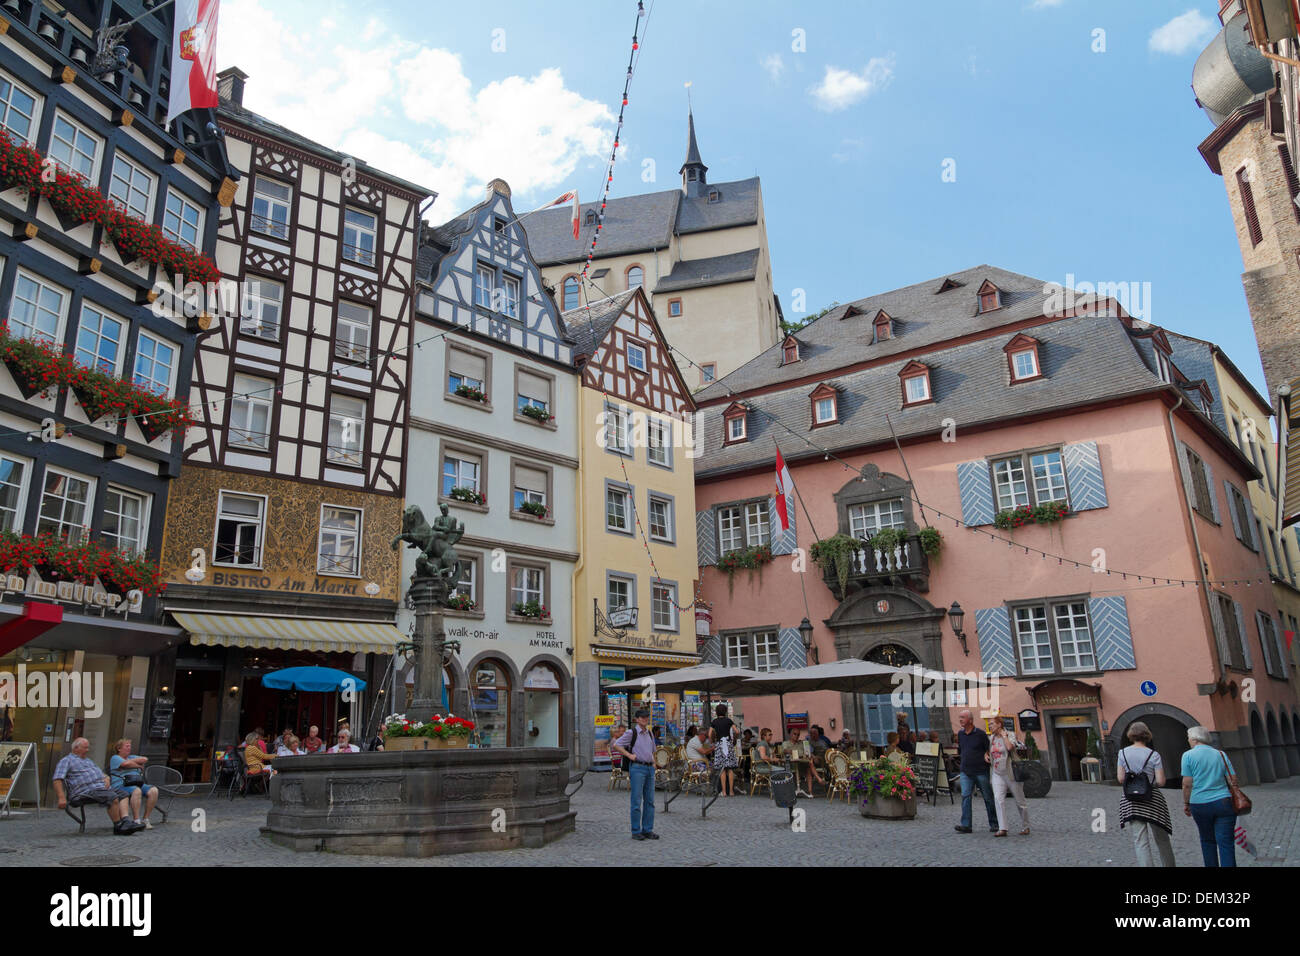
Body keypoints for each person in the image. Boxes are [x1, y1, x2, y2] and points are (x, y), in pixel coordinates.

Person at [52, 738, 142, 835]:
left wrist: (106, 778)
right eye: (85, 748)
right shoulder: (66, 760)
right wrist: (61, 798)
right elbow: (57, 779)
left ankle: (125, 821)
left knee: (123, 794)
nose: (87, 750)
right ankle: (118, 826)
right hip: (84, 792)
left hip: (100, 789)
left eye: (88, 748)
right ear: (76, 748)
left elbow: (102, 774)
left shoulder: (88, 761)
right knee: (112, 796)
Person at [1116, 721, 1174, 866]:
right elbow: (1161, 781)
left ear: (1131, 735)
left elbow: (1121, 778)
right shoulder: (1154, 755)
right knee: (1162, 839)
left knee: (1140, 840)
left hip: (1131, 800)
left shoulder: (1122, 753)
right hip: (1152, 798)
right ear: (1147, 735)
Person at [1181, 725, 1237, 867]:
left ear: (1194, 739)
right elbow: (1233, 780)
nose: (1188, 740)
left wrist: (1186, 803)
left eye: (1188, 737)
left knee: (1207, 840)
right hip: (1223, 801)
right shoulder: (1221, 754)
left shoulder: (1188, 755)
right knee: (1226, 843)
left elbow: (1187, 784)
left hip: (1199, 803)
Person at [612, 708, 659, 841]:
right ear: (637, 720)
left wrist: (654, 763)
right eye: (642, 717)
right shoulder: (631, 732)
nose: (645, 719)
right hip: (637, 767)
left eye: (646, 717)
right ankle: (636, 830)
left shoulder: (650, 733)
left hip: (649, 768)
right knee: (636, 801)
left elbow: (652, 751)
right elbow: (616, 745)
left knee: (650, 801)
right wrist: (629, 755)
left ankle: (647, 829)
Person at [954, 709, 998, 834]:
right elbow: (961, 750)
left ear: (970, 720)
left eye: (963, 717)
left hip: (980, 770)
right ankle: (966, 825)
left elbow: (988, 749)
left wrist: (987, 755)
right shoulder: (960, 734)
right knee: (965, 796)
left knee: (988, 797)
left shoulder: (980, 734)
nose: (960, 720)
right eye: (960, 717)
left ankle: (994, 823)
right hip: (966, 771)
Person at [986, 719, 1029, 837]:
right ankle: (1002, 828)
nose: (990, 726)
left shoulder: (1010, 735)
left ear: (999, 724)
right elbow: (989, 751)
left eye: (992, 724)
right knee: (998, 799)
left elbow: (1010, 747)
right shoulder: (991, 738)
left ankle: (1025, 826)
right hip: (997, 772)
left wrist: (1004, 737)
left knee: (1020, 801)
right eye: (989, 724)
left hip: (1010, 772)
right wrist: (986, 755)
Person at [109, 738, 158, 830]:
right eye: (127, 746)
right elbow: (125, 764)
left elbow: (144, 759)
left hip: (137, 782)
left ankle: (145, 819)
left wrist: (132, 762)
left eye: (130, 746)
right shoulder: (115, 758)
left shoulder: (132, 757)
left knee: (153, 790)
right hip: (121, 785)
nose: (129, 748)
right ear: (119, 748)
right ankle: (136, 820)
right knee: (136, 791)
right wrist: (138, 765)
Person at [709, 703, 739, 796]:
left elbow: (709, 734)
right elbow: (737, 731)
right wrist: (734, 739)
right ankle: (731, 791)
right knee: (729, 769)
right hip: (728, 744)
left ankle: (724, 792)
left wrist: (713, 741)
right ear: (725, 711)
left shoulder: (714, 722)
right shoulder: (729, 721)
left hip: (719, 745)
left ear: (716, 712)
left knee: (722, 769)